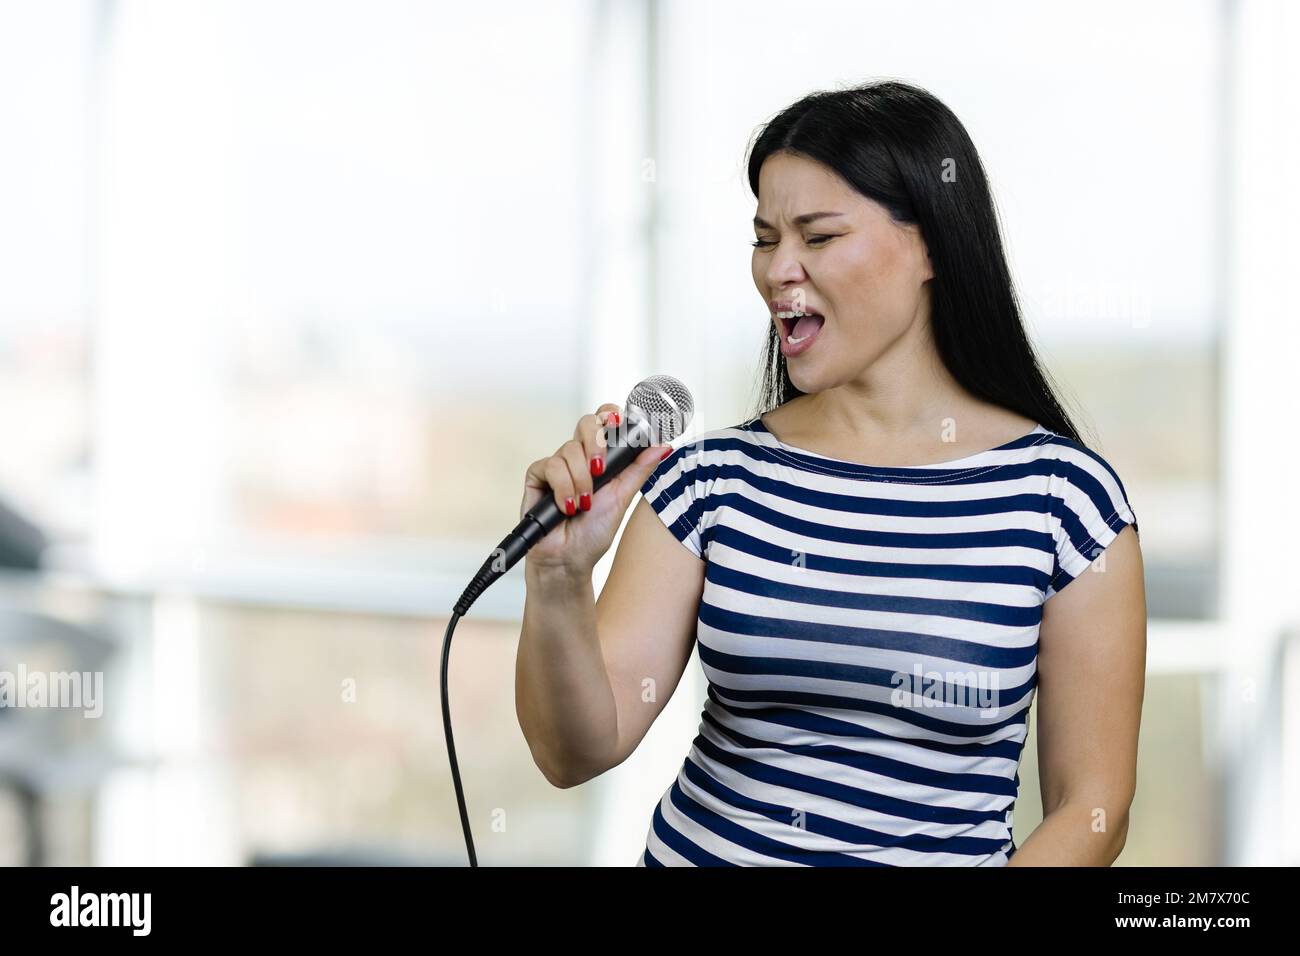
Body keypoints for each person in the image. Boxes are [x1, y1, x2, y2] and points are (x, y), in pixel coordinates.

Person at [514, 80, 1145, 866]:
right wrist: (559, 578)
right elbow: (575, 750)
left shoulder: (1064, 501)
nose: (779, 270)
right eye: (764, 237)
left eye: (816, 237)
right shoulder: (711, 481)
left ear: (931, 245)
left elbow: (1094, 809)